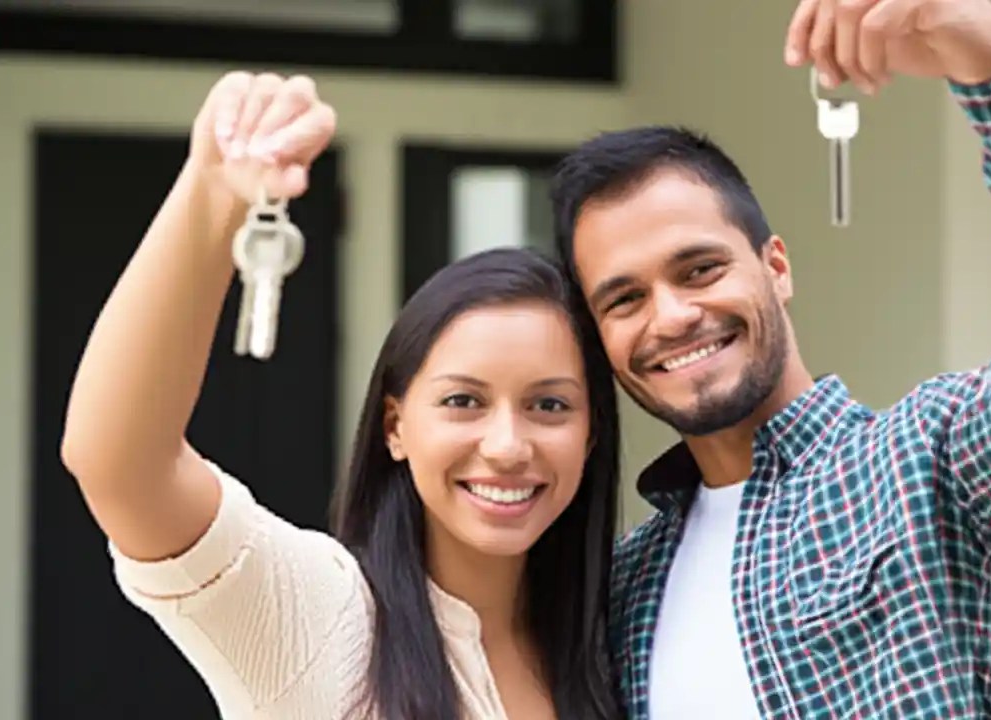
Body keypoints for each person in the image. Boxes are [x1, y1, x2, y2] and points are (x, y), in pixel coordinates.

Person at [550, 2, 991, 718]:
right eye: (625, 300)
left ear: (777, 267)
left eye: (700, 269)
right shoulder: (622, 589)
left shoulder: (928, 464)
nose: (671, 316)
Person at [60, 72, 623, 720]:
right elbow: (120, 464)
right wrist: (212, 191)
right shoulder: (322, 620)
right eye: (463, 402)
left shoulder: (618, 643)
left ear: (592, 434)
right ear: (395, 426)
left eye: (549, 405)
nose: (506, 445)